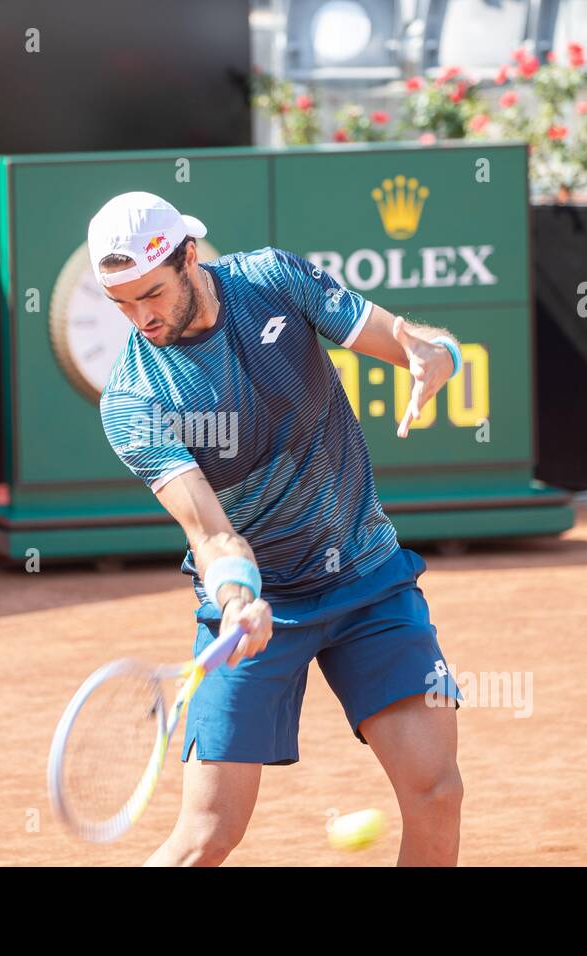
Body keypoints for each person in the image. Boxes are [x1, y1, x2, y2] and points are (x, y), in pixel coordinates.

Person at [92, 192, 465, 866]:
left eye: (150, 293)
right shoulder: (133, 397)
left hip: (368, 578)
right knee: (207, 835)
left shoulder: (272, 280)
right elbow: (208, 529)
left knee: (436, 791)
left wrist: (439, 355)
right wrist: (237, 597)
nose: (140, 316)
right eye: (120, 303)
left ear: (188, 257)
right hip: (254, 612)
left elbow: (408, 341)